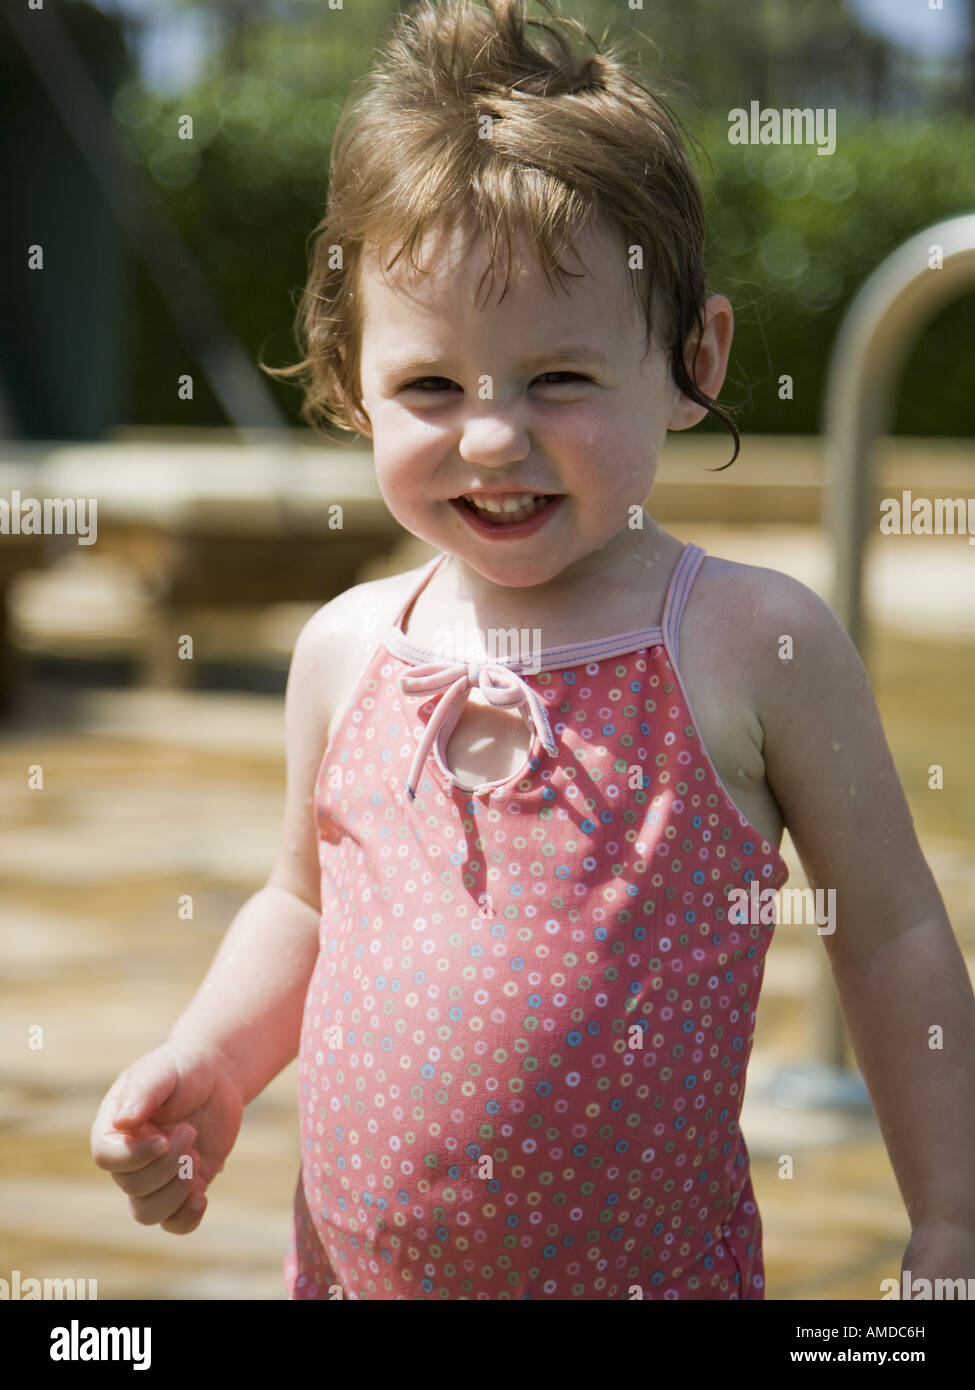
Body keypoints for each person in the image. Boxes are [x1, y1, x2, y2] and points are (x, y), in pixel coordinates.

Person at [90, 0, 975, 1299]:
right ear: (350, 382)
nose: (493, 438)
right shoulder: (346, 650)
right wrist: (213, 1060)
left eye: (557, 379)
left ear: (692, 359)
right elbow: (299, 908)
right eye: (432, 388)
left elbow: (892, 936)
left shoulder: (747, 641)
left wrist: (952, 1215)